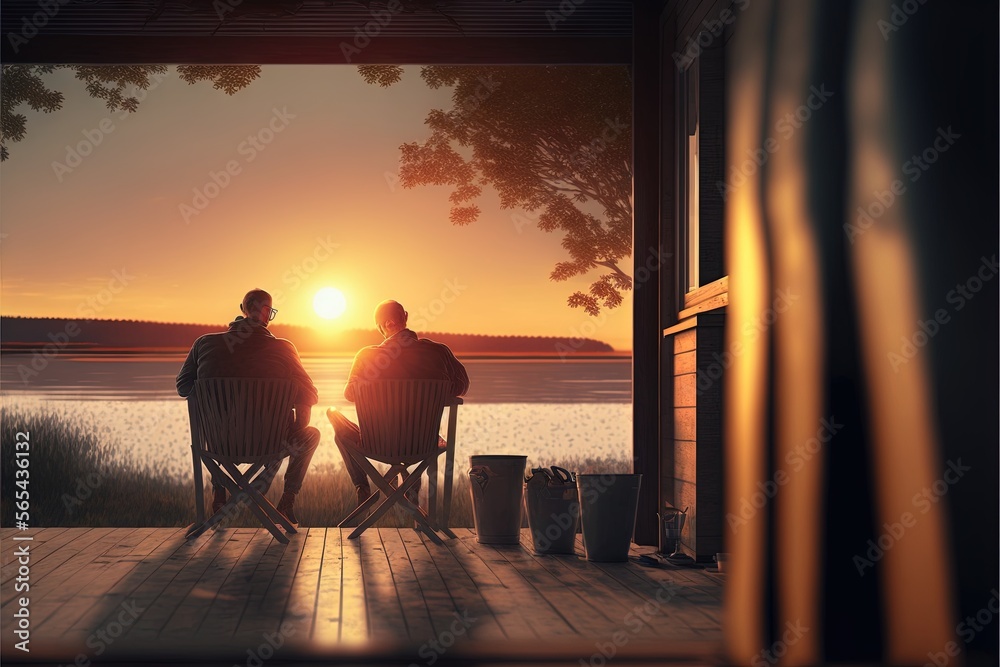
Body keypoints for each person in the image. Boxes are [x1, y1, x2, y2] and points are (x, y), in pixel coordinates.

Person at [176, 288, 320, 526]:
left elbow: (184, 387)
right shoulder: (284, 348)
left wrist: (216, 401)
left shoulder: (204, 344)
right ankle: (285, 502)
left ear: (242, 310)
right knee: (310, 434)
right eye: (270, 312)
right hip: (269, 445)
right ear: (266, 312)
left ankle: (220, 486)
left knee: (213, 424)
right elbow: (309, 394)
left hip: (219, 445)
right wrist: (295, 423)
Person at [328, 299, 469, 518]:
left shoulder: (367, 356)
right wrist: (431, 393)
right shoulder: (439, 352)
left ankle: (363, 488)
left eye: (379, 327)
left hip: (377, 443)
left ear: (385, 324)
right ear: (405, 317)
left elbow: (349, 394)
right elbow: (461, 387)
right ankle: (411, 484)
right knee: (426, 439)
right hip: (423, 443)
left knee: (335, 418)